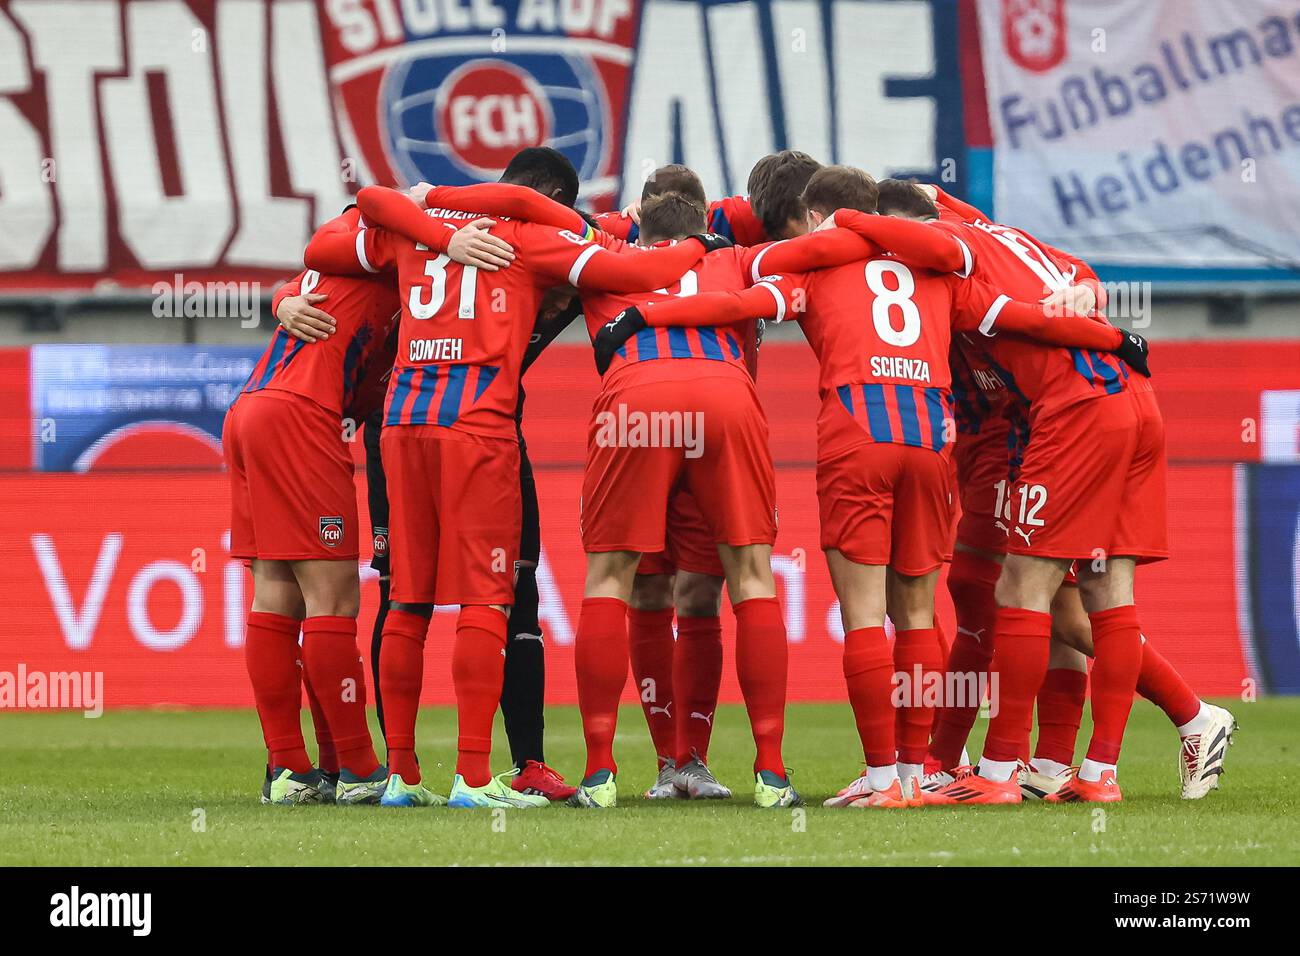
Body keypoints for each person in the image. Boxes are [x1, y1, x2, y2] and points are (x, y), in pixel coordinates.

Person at [302, 167, 714, 809]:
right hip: (477, 428)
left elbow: (346, 224)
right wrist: (698, 245)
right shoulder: (527, 237)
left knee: (406, 600)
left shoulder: (413, 233)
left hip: (403, 423)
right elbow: (642, 278)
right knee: (486, 600)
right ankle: (471, 778)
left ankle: (401, 778)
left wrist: (429, 217)